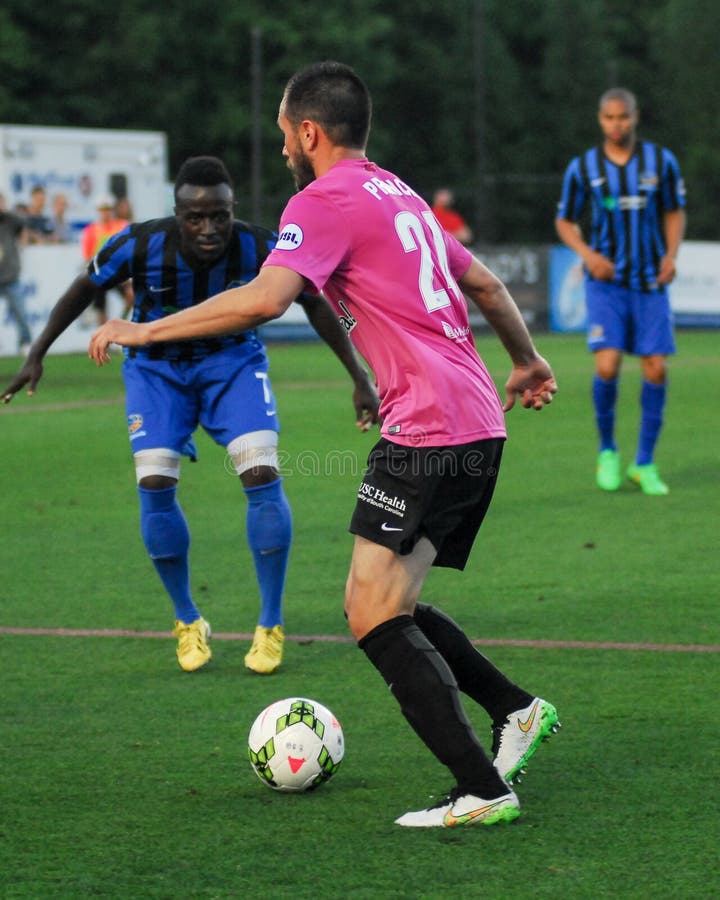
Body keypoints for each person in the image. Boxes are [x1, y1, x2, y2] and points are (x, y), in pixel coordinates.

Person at [88, 62, 560, 828]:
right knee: (393, 600)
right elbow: (486, 287)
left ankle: (481, 787)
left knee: (369, 611)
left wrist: (143, 328)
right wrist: (528, 360)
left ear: (308, 131)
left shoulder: (324, 199)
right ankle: (515, 711)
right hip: (477, 418)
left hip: (428, 426)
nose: (281, 149)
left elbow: (265, 299)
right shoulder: (399, 191)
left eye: (283, 133)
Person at [2, 154, 379, 676]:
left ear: (233, 209)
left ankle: (270, 623)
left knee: (261, 470)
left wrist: (359, 377)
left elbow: (314, 302)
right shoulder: (139, 243)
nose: (208, 229)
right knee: (155, 480)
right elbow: (84, 288)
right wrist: (36, 353)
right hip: (157, 372)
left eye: (219, 216)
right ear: (176, 212)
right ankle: (187, 619)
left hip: (231, 363)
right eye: (194, 217)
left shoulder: (259, 246)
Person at [556, 87, 686, 495]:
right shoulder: (584, 167)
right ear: (600, 120)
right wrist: (586, 253)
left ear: (635, 116)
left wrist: (670, 255)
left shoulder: (660, 162)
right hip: (606, 284)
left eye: (624, 118)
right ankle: (608, 451)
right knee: (608, 365)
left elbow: (674, 210)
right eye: (610, 118)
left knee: (656, 368)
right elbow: (564, 221)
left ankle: (644, 462)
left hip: (649, 283)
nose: (618, 125)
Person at [80, 194, 133, 323]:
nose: (106, 213)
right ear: (98, 211)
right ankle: (103, 336)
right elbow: (87, 256)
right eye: (103, 209)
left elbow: (129, 249)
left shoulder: (122, 225)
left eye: (108, 209)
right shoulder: (91, 230)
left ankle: (122, 322)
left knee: (131, 296)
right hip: (100, 272)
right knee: (101, 308)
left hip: (119, 272)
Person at [0, 193, 33, 354]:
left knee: (20, 312)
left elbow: (24, 226)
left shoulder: (10, 219)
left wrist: (23, 244)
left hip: (10, 276)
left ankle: (25, 343)